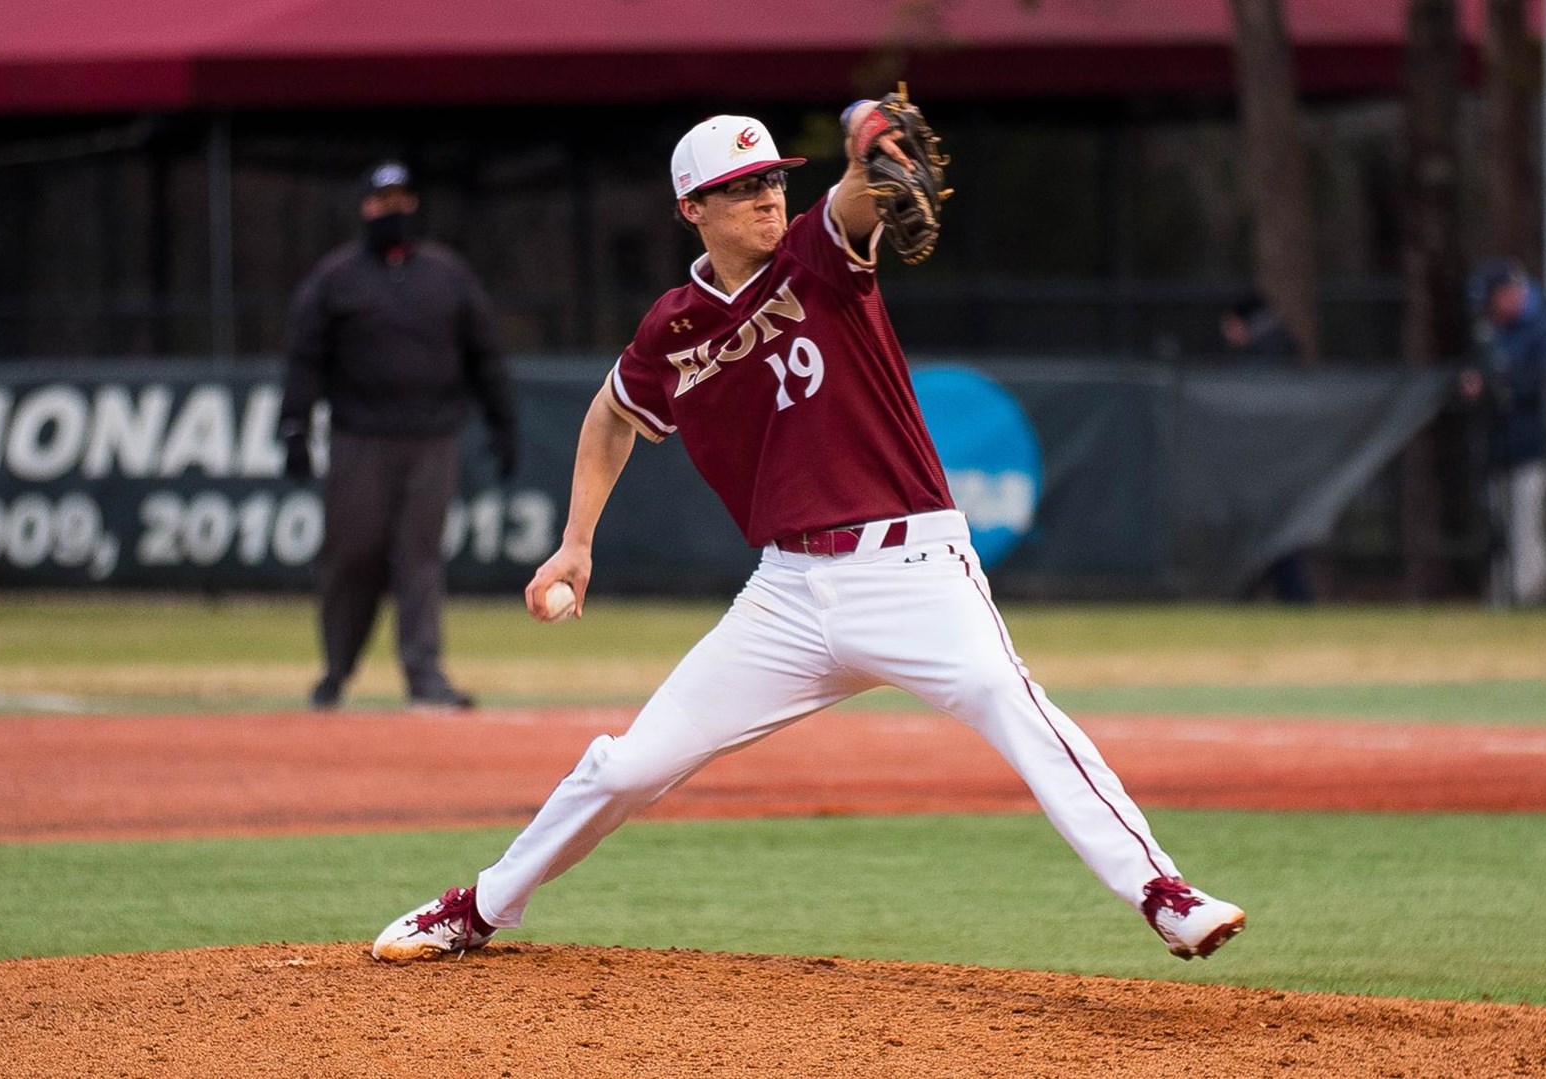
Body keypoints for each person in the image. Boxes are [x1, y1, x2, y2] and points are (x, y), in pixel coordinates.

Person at [371, 106, 1246, 964]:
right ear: (692, 209)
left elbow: (855, 200)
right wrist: (576, 541)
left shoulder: (816, 257)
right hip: (786, 593)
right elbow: (611, 413)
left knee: (1010, 702)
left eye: (770, 180)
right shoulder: (673, 326)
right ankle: (480, 907)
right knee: (630, 767)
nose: (763, 197)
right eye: (740, 186)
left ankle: (1163, 893)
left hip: (913, 568)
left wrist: (868, 135)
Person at [278, 160, 518, 712]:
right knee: (352, 556)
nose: (393, 210)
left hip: (432, 437)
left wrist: (503, 423)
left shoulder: (447, 274)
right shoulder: (336, 279)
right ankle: (336, 670)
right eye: (382, 201)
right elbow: (304, 360)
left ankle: (424, 675)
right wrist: (294, 425)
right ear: (364, 207)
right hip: (359, 437)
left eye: (402, 200)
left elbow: (484, 355)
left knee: (420, 558)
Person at [1461, 258, 1546, 606]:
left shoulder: (1545, 326)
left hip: (1535, 443)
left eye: (1493, 301)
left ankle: (1526, 597)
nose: (1489, 312)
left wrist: (1504, 386)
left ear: (1509, 293)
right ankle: (1504, 593)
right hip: (1497, 444)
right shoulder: (1494, 330)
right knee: (1501, 521)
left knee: (1528, 521)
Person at [1220, 291, 1314, 604]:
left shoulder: (1267, 356)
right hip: (1276, 466)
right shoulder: (1278, 348)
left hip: (1270, 468)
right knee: (1267, 539)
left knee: (1270, 539)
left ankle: (1291, 599)